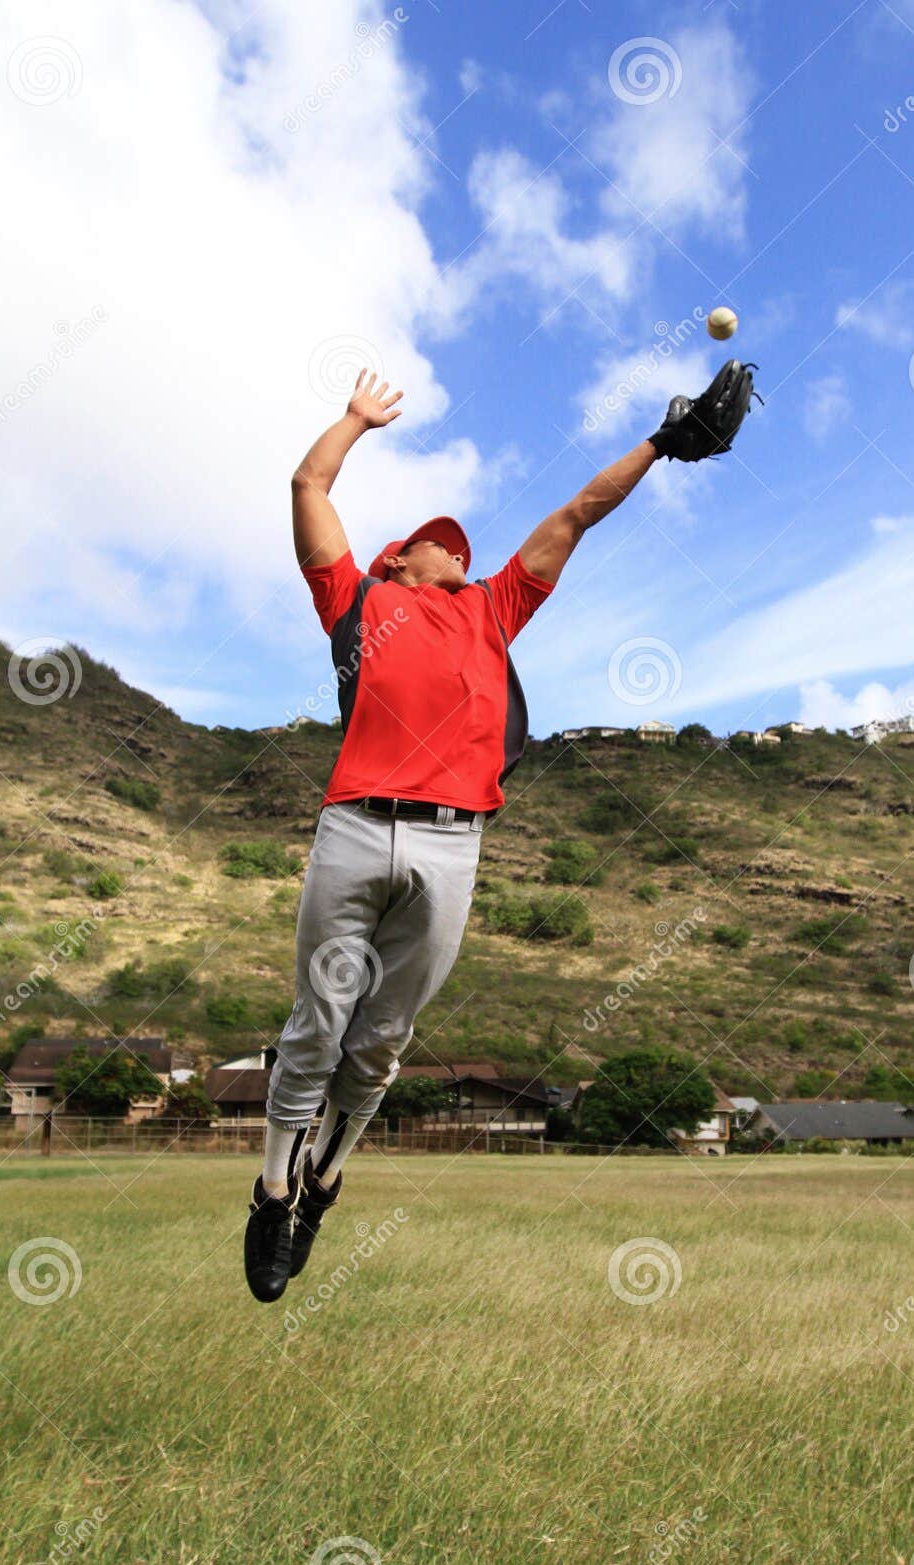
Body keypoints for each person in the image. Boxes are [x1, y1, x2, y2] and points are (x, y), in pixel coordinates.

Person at [244, 363, 749, 1302]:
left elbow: (573, 519)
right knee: (318, 1024)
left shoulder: (491, 609)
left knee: (382, 1042)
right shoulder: (358, 602)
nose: (453, 549)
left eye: (460, 545)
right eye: (434, 541)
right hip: (355, 827)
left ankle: (326, 1179)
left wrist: (659, 442)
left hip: (452, 842)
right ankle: (273, 1190)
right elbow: (308, 488)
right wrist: (354, 420)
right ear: (395, 561)